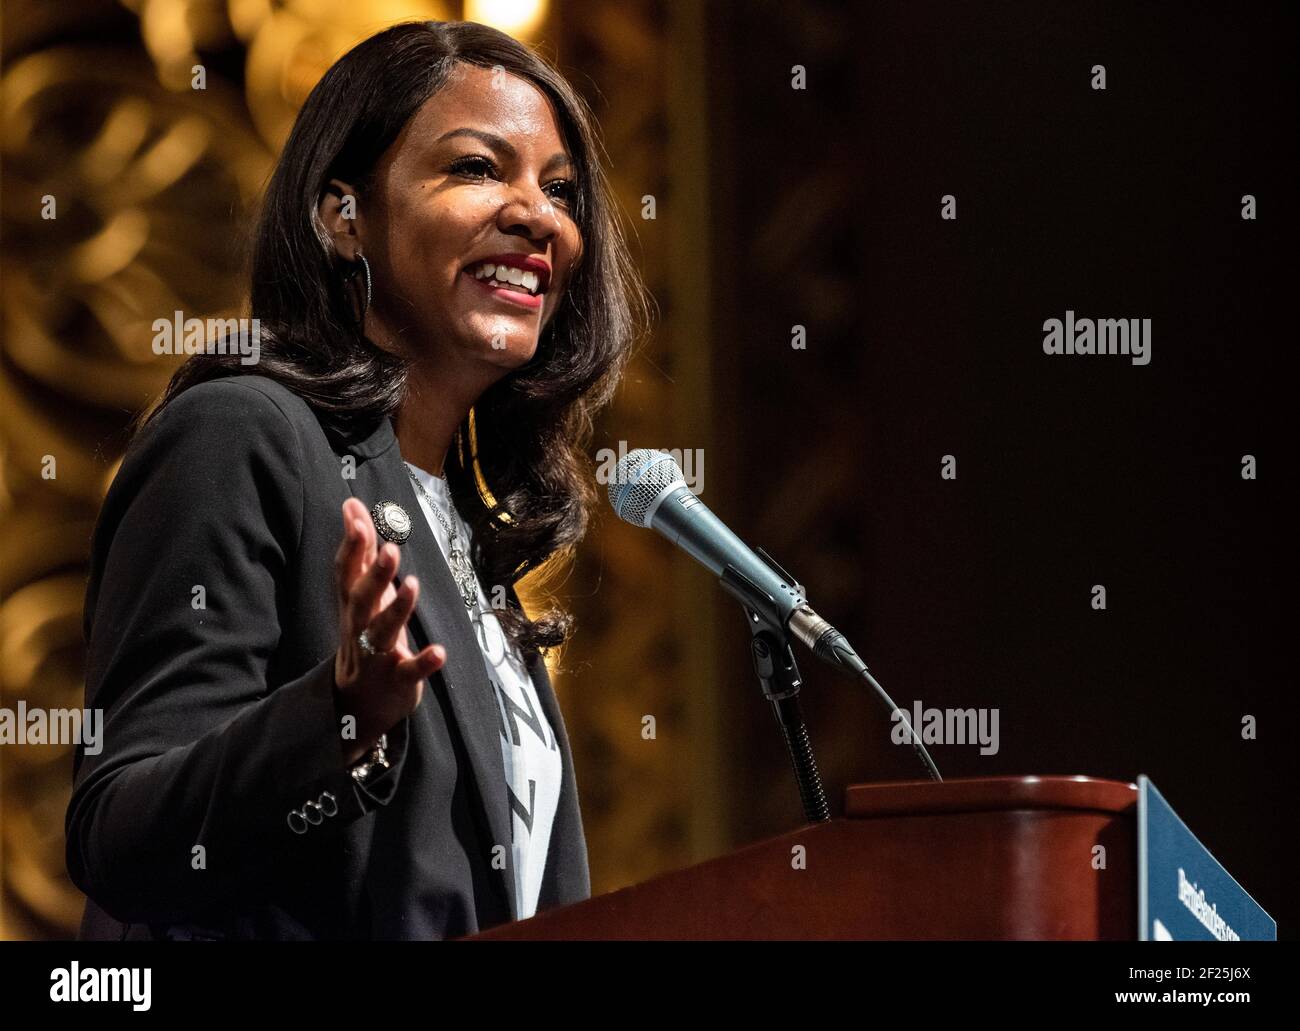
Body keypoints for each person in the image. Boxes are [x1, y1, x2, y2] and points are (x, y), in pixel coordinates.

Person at [65, 19, 650, 940]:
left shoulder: (464, 527)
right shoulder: (243, 434)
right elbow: (122, 836)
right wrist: (337, 717)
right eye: (476, 168)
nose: (541, 215)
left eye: (561, 188)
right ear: (344, 216)